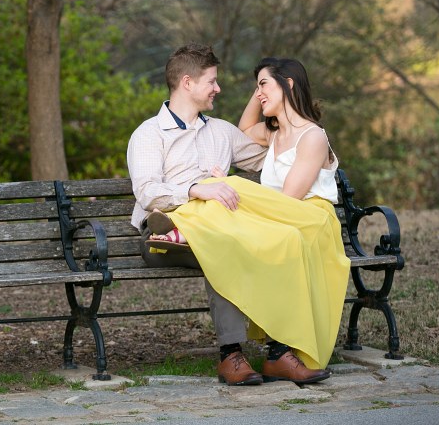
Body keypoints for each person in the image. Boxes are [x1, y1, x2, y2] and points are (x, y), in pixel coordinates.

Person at [127, 46, 350, 387]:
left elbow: (276, 154)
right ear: (187, 82)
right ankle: (230, 354)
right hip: (159, 236)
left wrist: (280, 104)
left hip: (220, 226)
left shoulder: (222, 132)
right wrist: (195, 188)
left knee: (273, 239)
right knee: (222, 244)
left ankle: (277, 352)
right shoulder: (148, 134)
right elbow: (146, 193)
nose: (218, 89)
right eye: (212, 82)